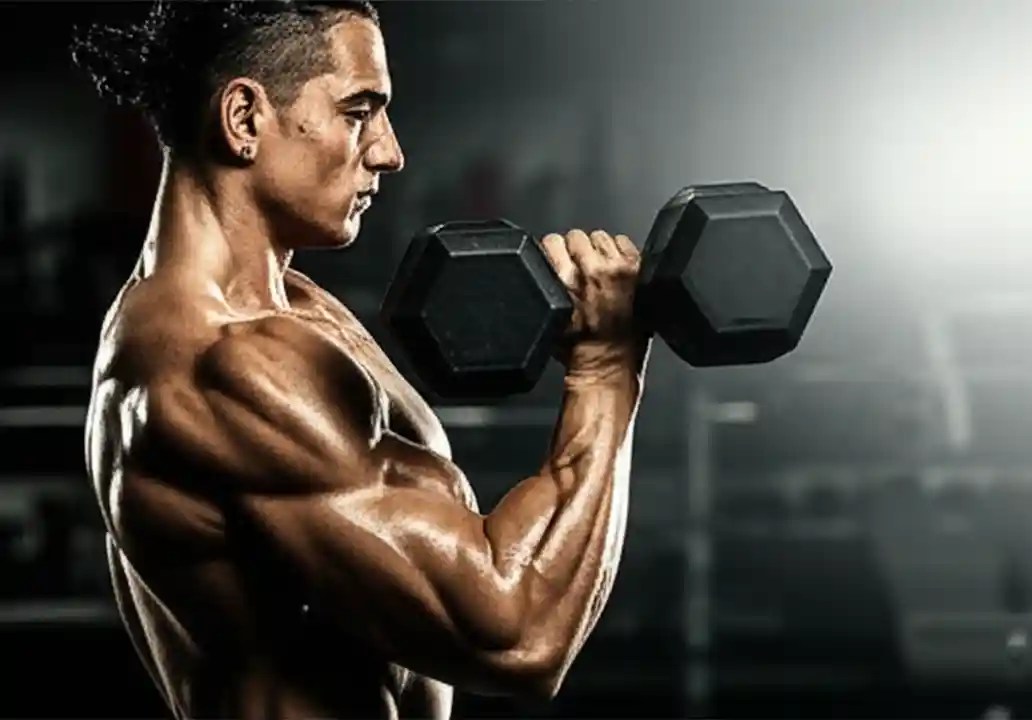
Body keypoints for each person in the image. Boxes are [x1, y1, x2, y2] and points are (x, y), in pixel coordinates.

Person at [73, 2, 648, 717]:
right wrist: (603, 372)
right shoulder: (219, 363)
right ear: (245, 119)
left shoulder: (297, 309)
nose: (389, 151)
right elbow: (517, 633)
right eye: (358, 112)